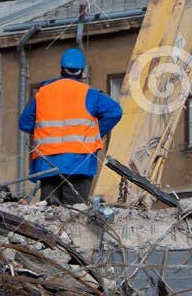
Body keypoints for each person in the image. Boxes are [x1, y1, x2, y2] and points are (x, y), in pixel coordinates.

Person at [18, 46, 122, 205]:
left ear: (61, 69)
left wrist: (48, 132)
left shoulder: (43, 93)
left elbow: (24, 122)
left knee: (50, 213)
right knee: (75, 213)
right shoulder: (90, 94)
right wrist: (94, 133)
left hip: (48, 163)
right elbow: (115, 112)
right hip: (79, 162)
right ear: (82, 72)